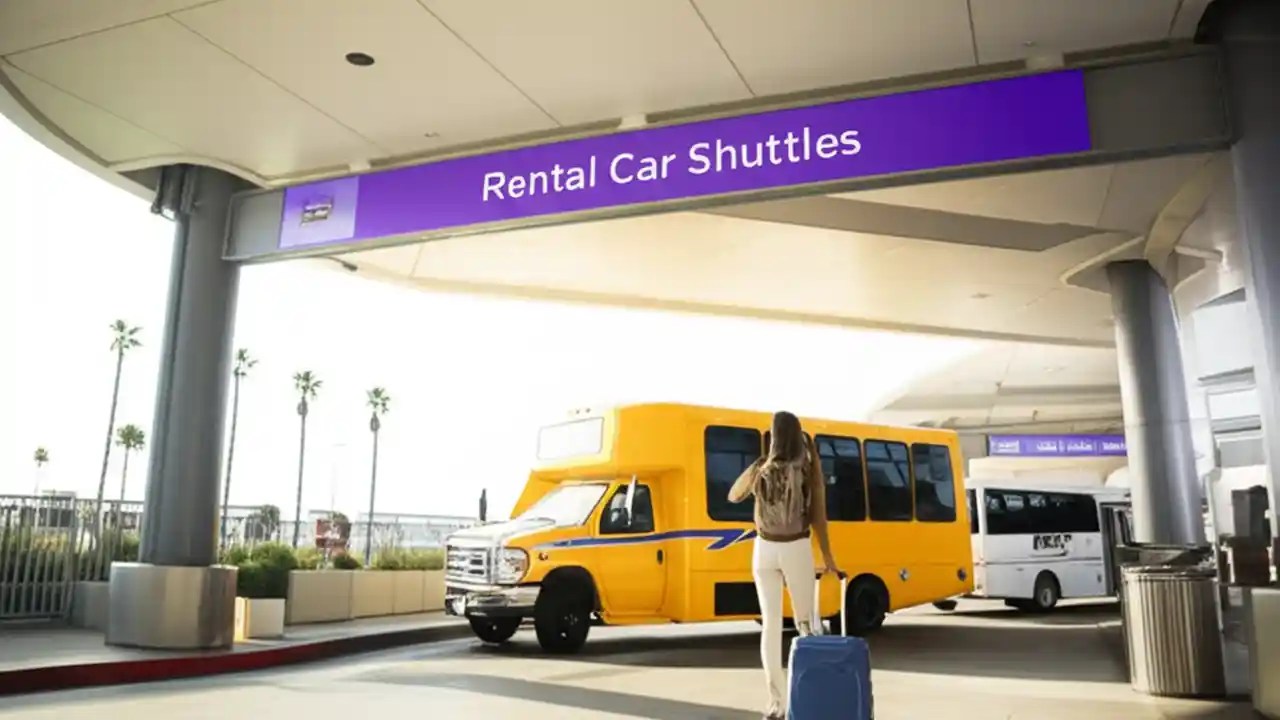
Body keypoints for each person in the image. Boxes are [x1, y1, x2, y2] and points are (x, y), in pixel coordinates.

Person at [729, 410, 838, 720]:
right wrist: (828, 558)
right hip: (795, 548)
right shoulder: (806, 468)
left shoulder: (763, 469)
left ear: (774, 436)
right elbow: (818, 516)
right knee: (805, 624)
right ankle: (808, 698)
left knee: (771, 625)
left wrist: (757, 465)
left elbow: (733, 495)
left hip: (763, 550)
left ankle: (776, 704)